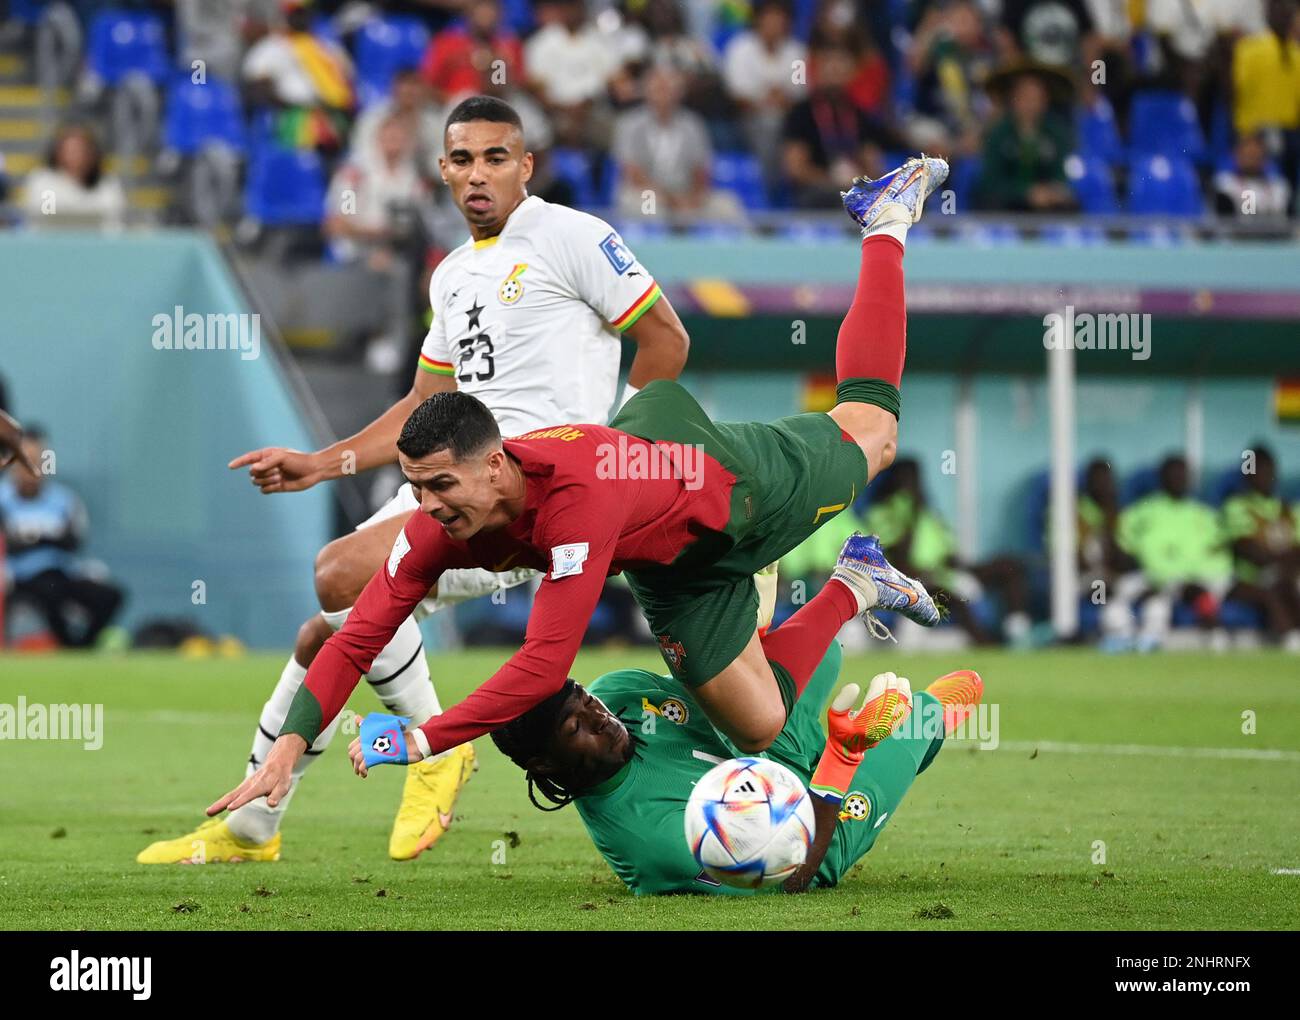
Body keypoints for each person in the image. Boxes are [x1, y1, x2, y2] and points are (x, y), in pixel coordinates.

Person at [206, 155, 950, 827]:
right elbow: (361, 630)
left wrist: (423, 738)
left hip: (722, 482)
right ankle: (856, 581)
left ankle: (884, 222)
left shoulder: (576, 507)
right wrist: (289, 747)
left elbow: (541, 667)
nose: (426, 507)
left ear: (495, 466)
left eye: (439, 486)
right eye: (415, 487)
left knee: (874, 429)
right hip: (664, 555)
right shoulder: (444, 521)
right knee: (758, 724)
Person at [138, 94, 691, 866]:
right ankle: (253, 826)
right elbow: (424, 405)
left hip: (522, 495)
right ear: (441, 169)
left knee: (338, 574)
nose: (478, 174)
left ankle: (438, 749)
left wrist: (617, 456)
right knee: (327, 636)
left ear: (526, 165)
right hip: (447, 479)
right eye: (462, 159)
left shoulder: (572, 235)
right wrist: (321, 462)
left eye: (497, 157)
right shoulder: (453, 274)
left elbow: (665, 338)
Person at [458, 645, 981, 895]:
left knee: (821, 650)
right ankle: (903, 742)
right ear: (545, 763)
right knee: (921, 714)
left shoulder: (617, 694)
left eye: (584, 698)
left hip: (768, 753)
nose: (600, 716)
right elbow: (792, 873)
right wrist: (842, 758)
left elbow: (722, 688)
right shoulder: (652, 840)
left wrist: (750, 626)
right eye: (576, 728)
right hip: (806, 830)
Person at [0, 429, 124, 648]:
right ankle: (67, 645)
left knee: (109, 595)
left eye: (36, 461)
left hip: (58, 573)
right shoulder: (3, 498)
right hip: (17, 578)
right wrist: (44, 538)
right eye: (24, 462)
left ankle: (82, 648)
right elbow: (10, 545)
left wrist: (33, 539)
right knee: (49, 592)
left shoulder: (63, 500)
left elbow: (72, 541)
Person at [612, 65, 743, 225]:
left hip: (685, 193)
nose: (663, 95)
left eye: (668, 89)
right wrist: (668, 199)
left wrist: (692, 198)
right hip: (646, 192)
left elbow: (701, 170)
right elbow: (632, 172)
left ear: (679, 93)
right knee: (650, 209)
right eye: (658, 89)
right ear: (647, 92)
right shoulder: (630, 124)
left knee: (727, 206)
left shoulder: (693, 124)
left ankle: (750, 246)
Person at [1221, 445, 1300, 651]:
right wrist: (1281, 562)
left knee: (1289, 584)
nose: (1265, 476)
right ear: (1248, 474)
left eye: (1268, 470)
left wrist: (1284, 566)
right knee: (1273, 590)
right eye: (1259, 471)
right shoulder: (1237, 506)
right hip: (1249, 580)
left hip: (1287, 575)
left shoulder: (1289, 509)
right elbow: (1246, 547)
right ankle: (1290, 642)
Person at [22, 122, 126, 230]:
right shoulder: (43, 180)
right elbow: (45, 213)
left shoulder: (107, 183)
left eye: (80, 150)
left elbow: (112, 215)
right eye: (70, 150)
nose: (75, 155)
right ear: (58, 153)